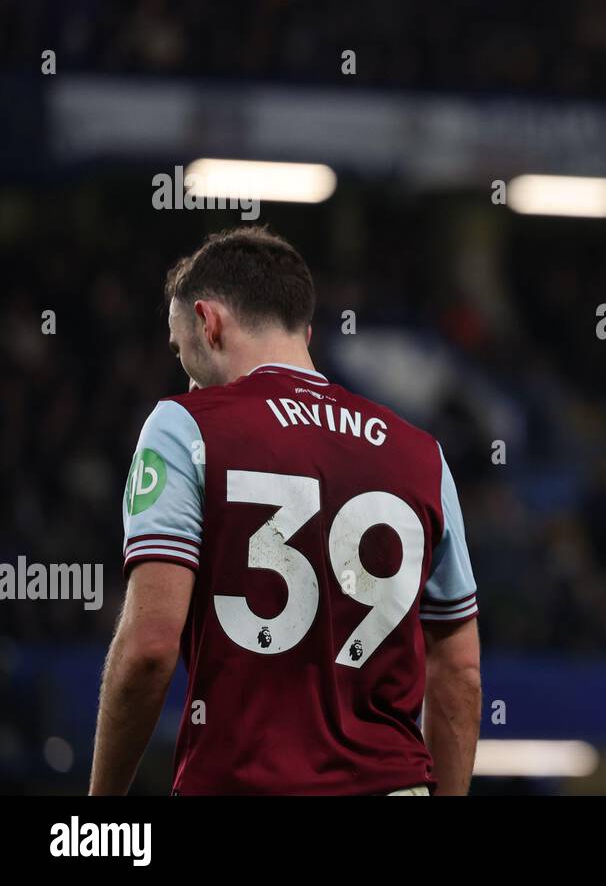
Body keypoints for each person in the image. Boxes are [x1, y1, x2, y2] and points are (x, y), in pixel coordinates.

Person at [90, 225, 480, 795]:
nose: (187, 376)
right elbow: (461, 673)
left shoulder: (184, 426)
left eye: (182, 351)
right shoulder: (422, 455)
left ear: (208, 322)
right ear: (306, 330)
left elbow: (150, 650)